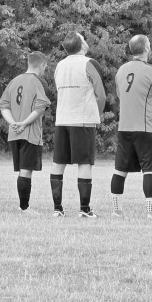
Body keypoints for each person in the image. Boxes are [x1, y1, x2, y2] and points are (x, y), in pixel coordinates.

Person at [110, 35, 152, 220]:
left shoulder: (121, 70)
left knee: (120, 169)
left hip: (125, 126)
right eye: (149, 46)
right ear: (146, 49)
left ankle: (116, 210)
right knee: (150, 169)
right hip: (147, 128)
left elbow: (120, 94)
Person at [49, 31, 106, 218]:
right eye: (84, 39)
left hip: (62, 119)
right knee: (84, 162)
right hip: (83, 120)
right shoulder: (89, 63)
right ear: (82, 45)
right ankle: (84, 209)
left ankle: (57, 209)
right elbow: (101, 94)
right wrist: (96, 113)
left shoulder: (60, 65)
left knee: (59, 162)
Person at [0, 51, 51, 215]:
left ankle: (23, 206)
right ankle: (24, 207)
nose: (44, 70)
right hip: (29, 133)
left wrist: (13, 123)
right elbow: (40, 107)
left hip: (14, 133)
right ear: (41, 65)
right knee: (26, 170)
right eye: (45, 67)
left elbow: (3, 105)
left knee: (22, 170)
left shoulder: (14, 81)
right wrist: (24, 123)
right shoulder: (38, 82)